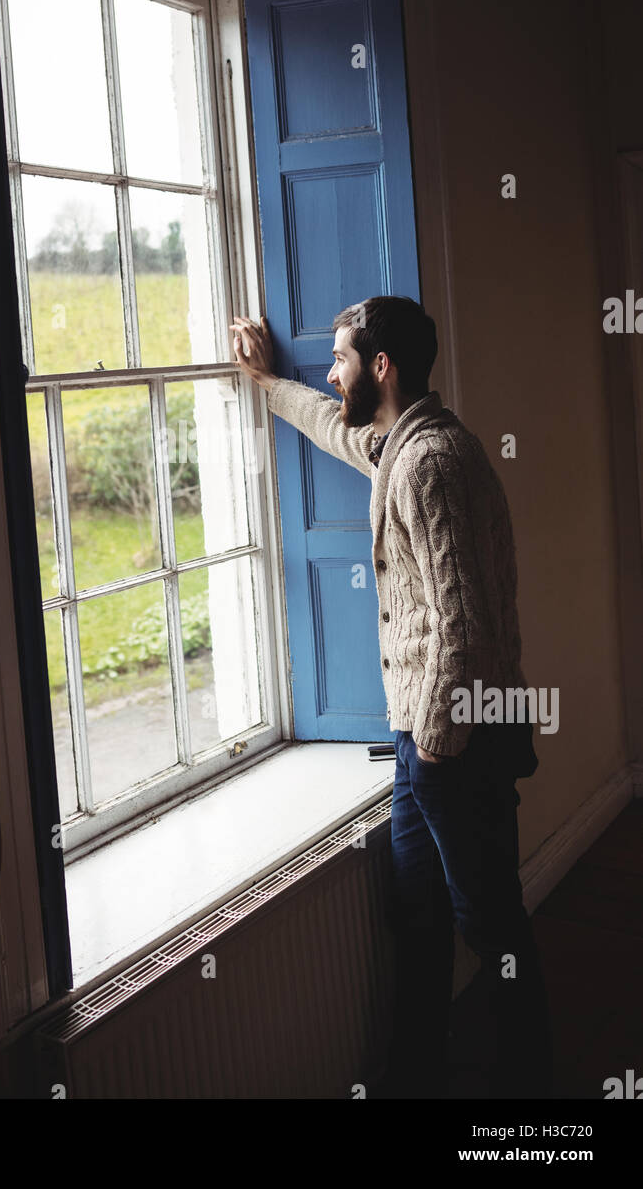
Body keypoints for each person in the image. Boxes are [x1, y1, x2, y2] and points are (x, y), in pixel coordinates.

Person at [230, 296, 553, 1100]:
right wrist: (268, 383)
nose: (330, 373)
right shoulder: (408, 446)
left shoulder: (432, 465)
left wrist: (437, 752)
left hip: (454, 741)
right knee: (418, 912)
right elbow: (340, 431)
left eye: (339, 359)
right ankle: (418, 1076)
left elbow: (466, 627)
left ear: (382, 367)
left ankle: (531, 1087)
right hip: (427, 739)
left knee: (488, 919)